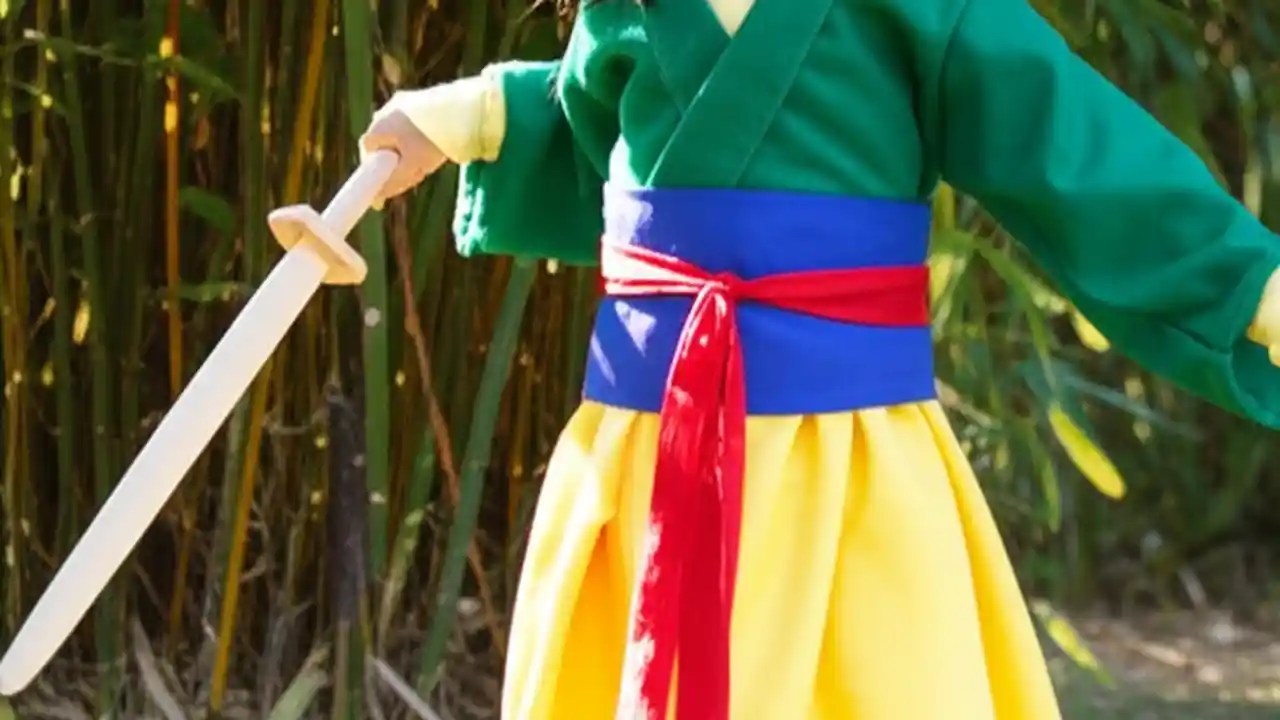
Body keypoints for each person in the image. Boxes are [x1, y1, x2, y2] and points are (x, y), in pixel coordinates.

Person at [361, 0, 1280, 717]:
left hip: (847, 463)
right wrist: (458, 117)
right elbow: (582, 118)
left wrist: (1254, 290)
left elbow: (1076, 152)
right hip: (648, 458)